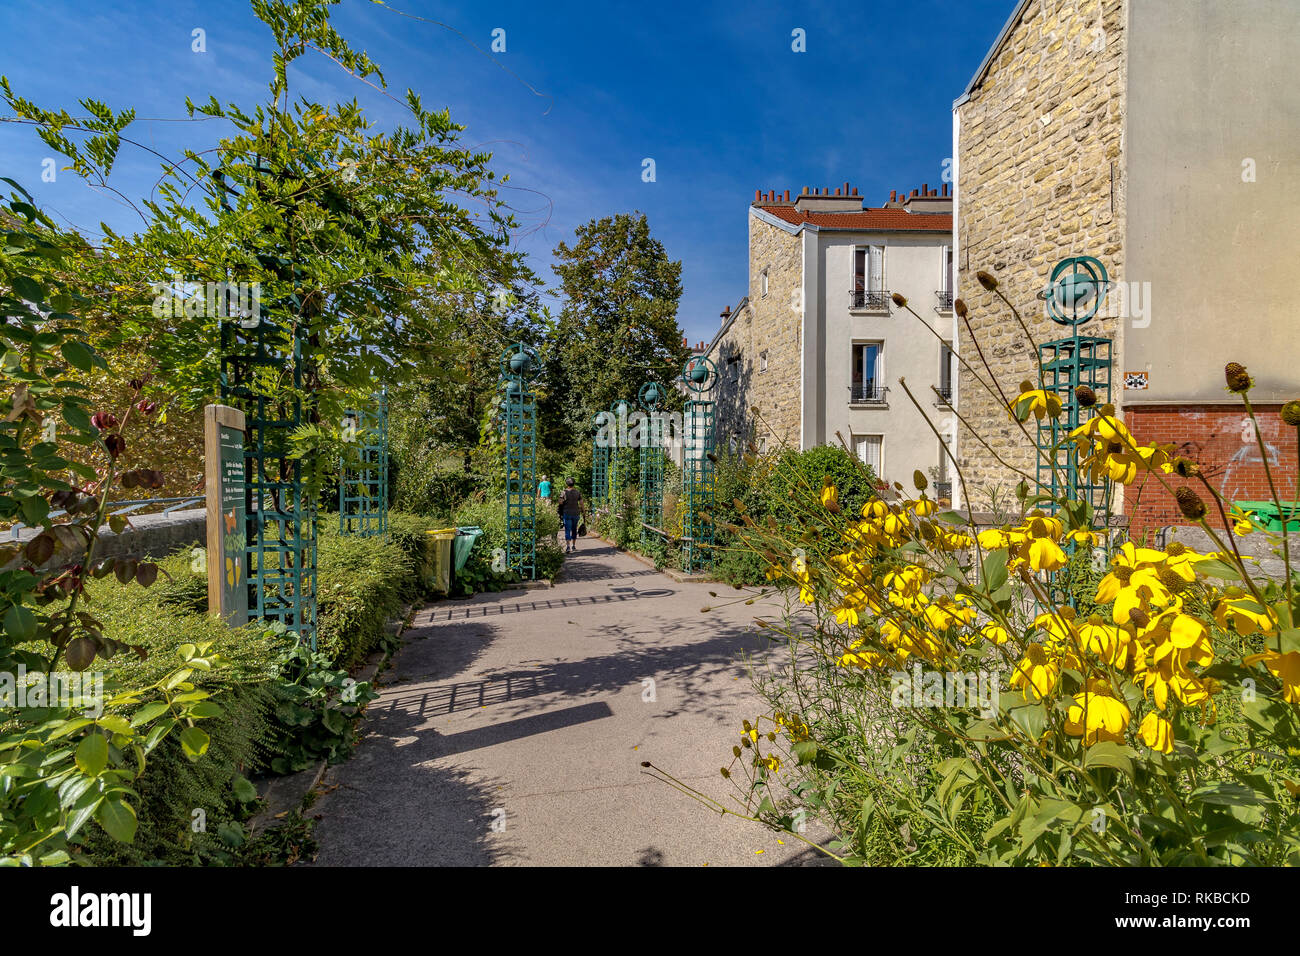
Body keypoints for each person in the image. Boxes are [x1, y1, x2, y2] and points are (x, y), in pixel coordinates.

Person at [557, 477, 584, 553]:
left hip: (567, 513)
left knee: (567, 530)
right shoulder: (577, 492)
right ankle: (574, 545)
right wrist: (583, 511)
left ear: (566, 484)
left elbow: (560, 502)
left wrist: (562, 501)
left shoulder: (563, 492)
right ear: (574, 483)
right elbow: (581, 503)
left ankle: (568, 547)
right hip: (576, 513)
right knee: (574, 529)